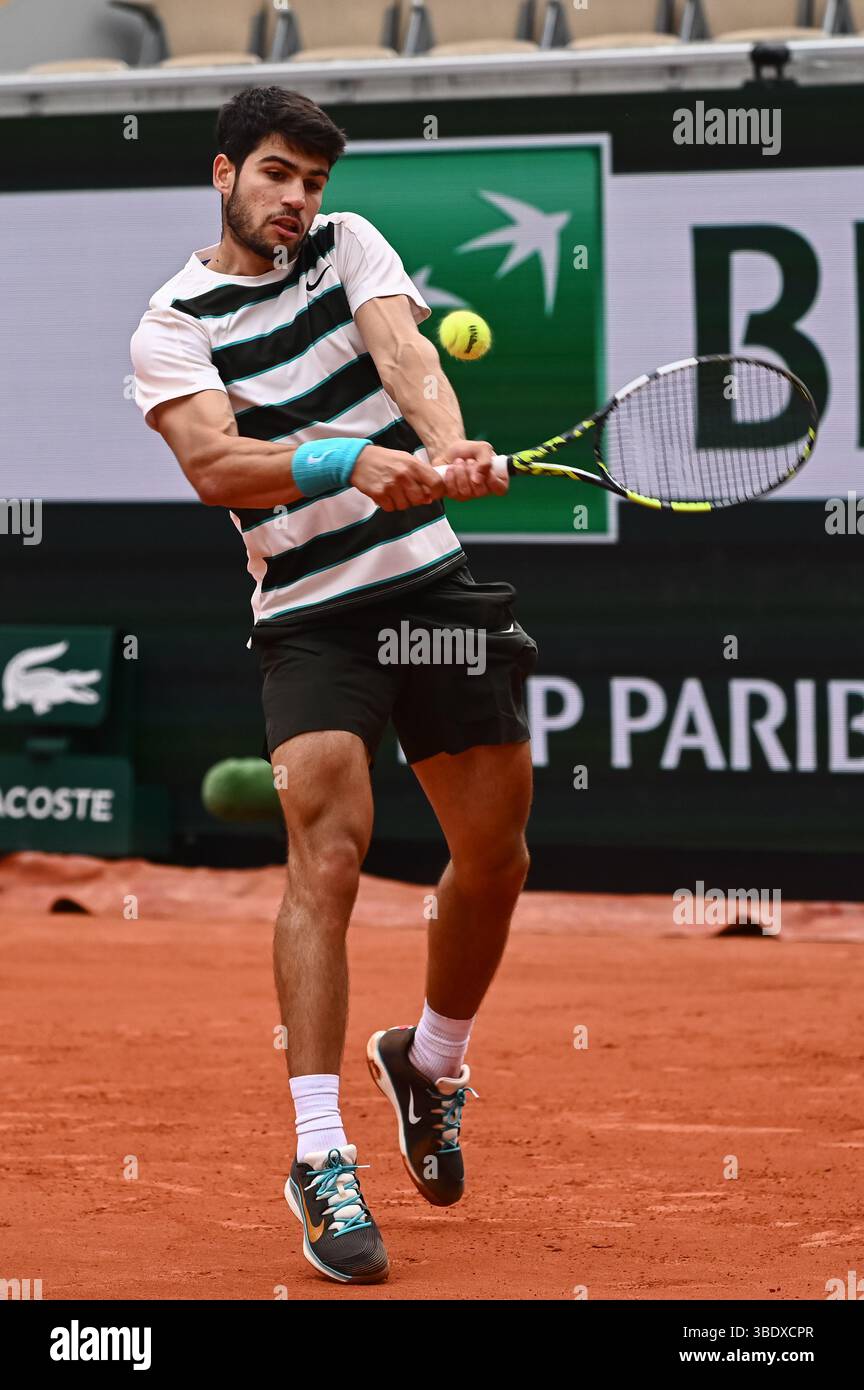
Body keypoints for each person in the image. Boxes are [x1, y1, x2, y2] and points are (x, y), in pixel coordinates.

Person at [131, 85, 537, 1286]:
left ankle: (430, 1060)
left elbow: (407, 353)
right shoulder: (171, 323)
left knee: (499, 853)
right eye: (275, 176)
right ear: (223, 176)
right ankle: (320, 1153)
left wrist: (443, 442)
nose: (297, 200)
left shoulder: (351, 246)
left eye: (312, 181)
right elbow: (213, 462)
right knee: (332, 841)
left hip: (430, 591)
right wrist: (348, 461)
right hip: (310, 617)